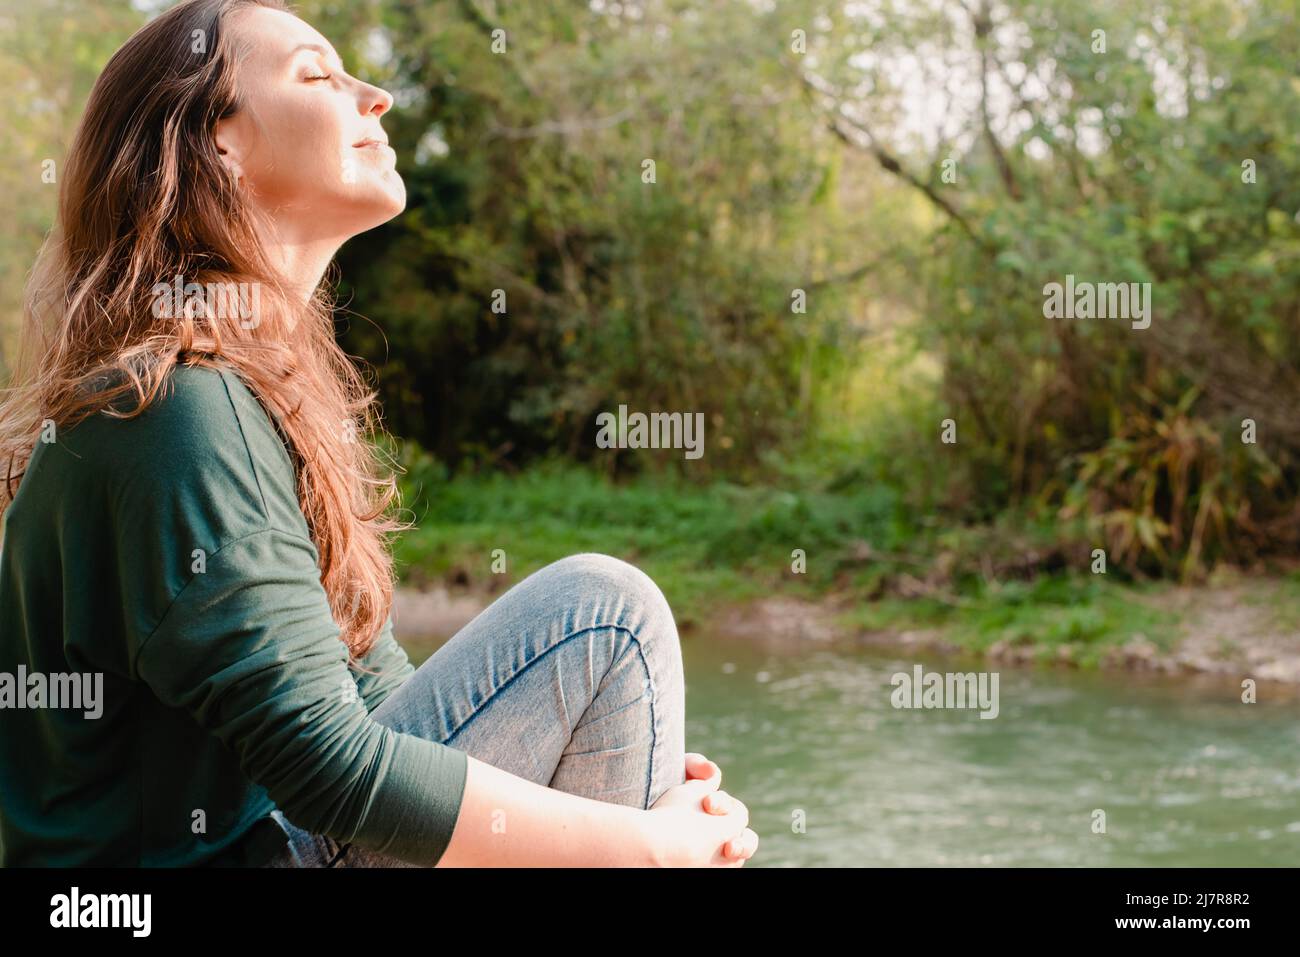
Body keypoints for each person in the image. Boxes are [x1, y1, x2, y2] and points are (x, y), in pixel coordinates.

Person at [0, 0, 758, 868]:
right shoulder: (179, 411)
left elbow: (373, 697)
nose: (379, 95)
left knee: (608, 685)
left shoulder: (227, 394)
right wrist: (646, 845)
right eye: (318, 75)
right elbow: (327, 764)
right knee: (603, 621)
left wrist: (636, 809)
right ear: (220, 142)